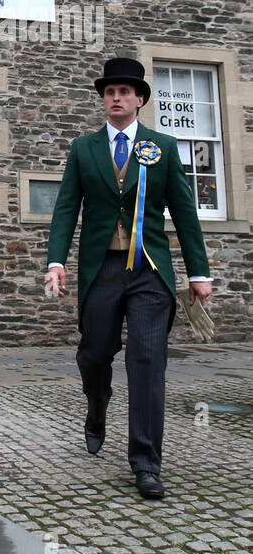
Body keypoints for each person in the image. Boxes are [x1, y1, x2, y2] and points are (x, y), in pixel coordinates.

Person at [45, 57, 213, 500]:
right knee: (93, 355)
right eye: (109, 92)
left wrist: (199, 272)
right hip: (102, 270)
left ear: (139, 99)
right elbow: (66, 208)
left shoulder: (164, 146)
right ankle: (97, 405)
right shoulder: (84, 148)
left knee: (147, 361)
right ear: (104, 101)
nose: (116, 98)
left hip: (150, 272)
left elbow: (184, 212)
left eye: (124, 92)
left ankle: (145, 463)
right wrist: (56, 261)